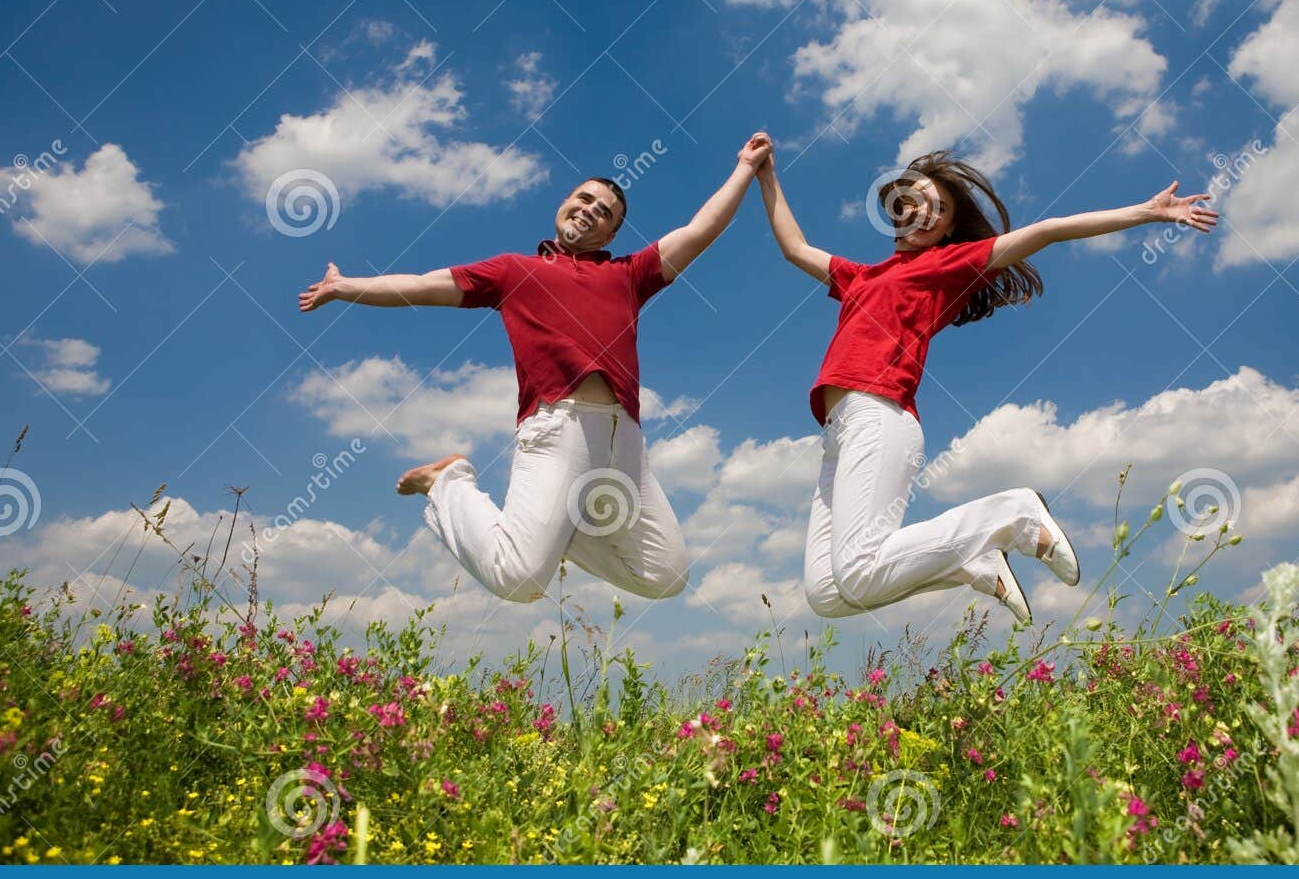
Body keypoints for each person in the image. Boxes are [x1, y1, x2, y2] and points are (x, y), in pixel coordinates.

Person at [297, 133, 775, 605]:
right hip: (558, 429)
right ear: (564, 203)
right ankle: (447, 483)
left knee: (666, 573)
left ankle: (554, 531)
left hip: (625, 441)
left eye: (605, 212)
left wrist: (744, 167)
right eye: (584, 198)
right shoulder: (512, 272)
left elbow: (700, 231)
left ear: (611, 235)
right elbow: (422, 284)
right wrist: (344, 287)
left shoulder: (629, 275)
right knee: (520, 580)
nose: (591, 209)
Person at [753, 148, 1218, 623]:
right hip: (838, 432)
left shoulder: (947, 265)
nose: (924, 211)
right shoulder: (861, 276)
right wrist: (765, 173)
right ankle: (971, 560)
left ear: (950, 229)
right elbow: (794, 247)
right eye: (915, 199)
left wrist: (1146, 212)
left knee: (855, 575)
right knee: (829, 594)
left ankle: (1013, 513)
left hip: (880, 413)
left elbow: (1047, 231)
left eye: (939, 208)